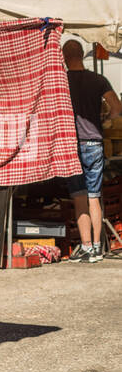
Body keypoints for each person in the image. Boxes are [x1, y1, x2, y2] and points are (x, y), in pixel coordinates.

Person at [63, 40, 121, 262]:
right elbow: (116, 107)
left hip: (71, 143)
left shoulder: (62, 81)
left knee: (79, 197)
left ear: (64, 56)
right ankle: (98, 246)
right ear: (81, 55)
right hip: (95, 143)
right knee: (95, 197)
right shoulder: (98, 79)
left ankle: (86, 246)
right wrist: (105, 119)